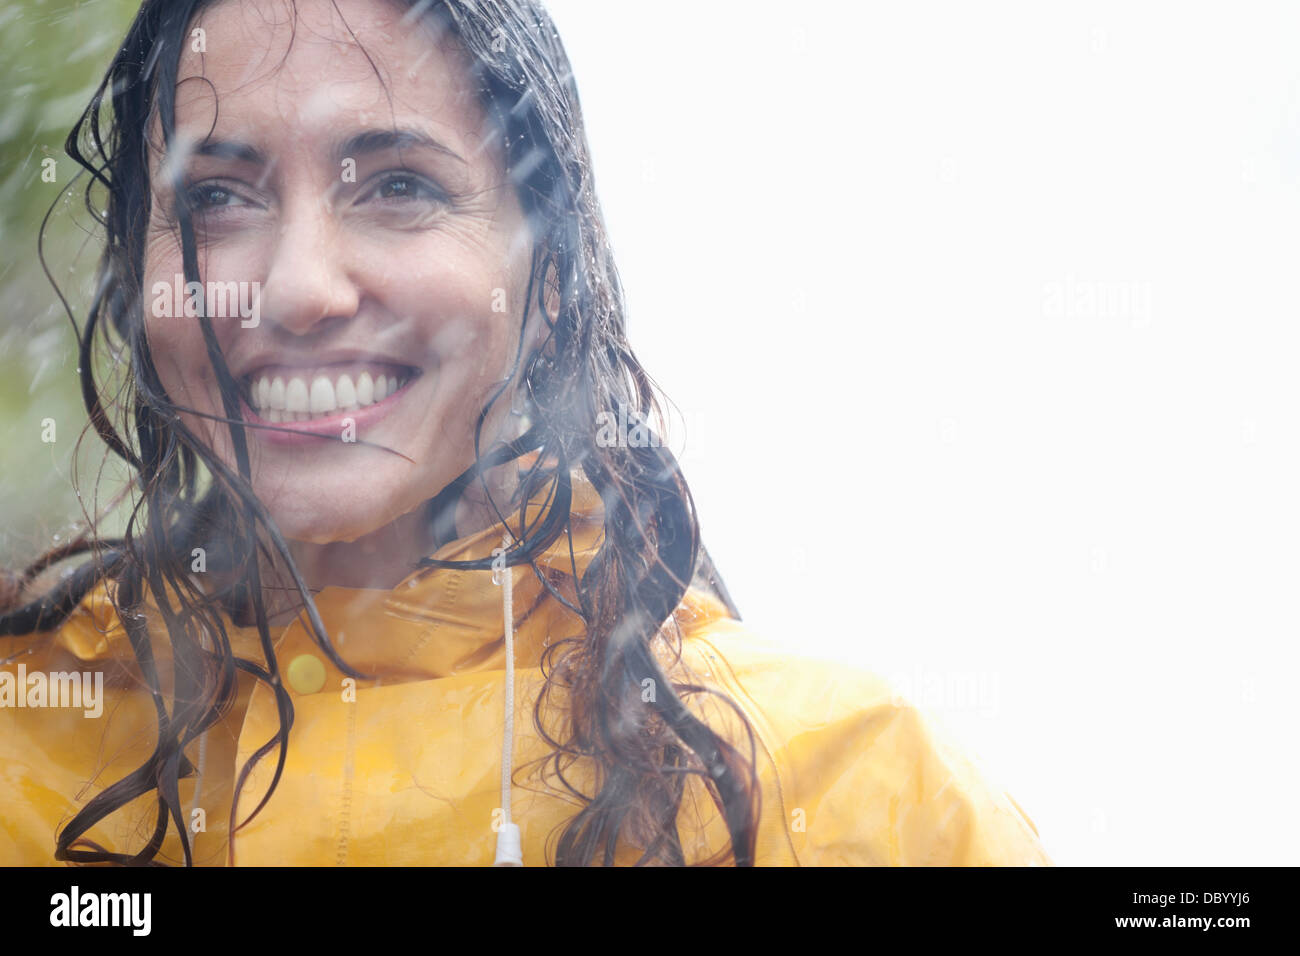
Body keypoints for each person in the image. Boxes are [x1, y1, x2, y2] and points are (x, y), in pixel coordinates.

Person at [0, 0, 1051, 866]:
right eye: (217, 197)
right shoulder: (23, 739)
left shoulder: (853, 795)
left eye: (398, 186)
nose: (300, 288)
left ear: (549, 272)